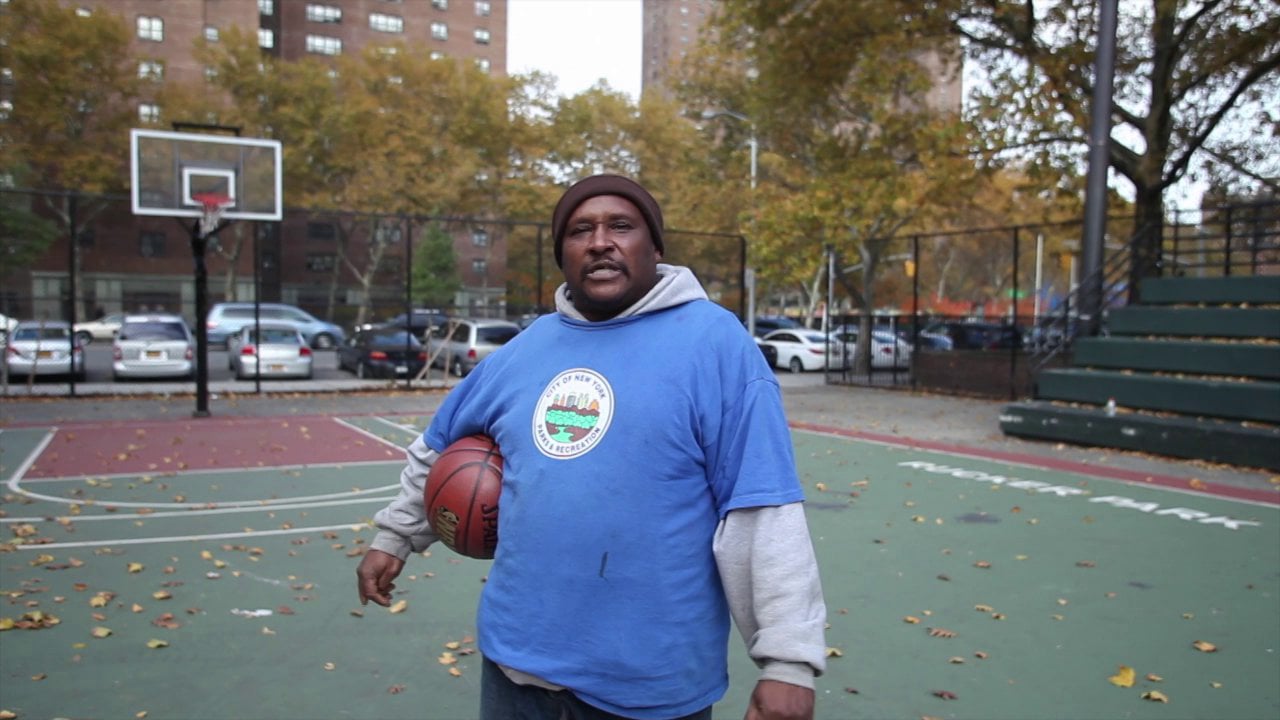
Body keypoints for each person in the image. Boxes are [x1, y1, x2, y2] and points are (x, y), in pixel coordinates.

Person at [356, 174, 827, 720]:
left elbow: (760, 507)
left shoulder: (716, 345)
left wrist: (787, 661)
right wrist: (395, 536)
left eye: (621, 226)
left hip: (648, 684)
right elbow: (436, 449)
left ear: (654, 247)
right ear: (563, 255)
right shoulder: (523, 351)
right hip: (515, 665)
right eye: (580, 230)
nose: (600, 241)